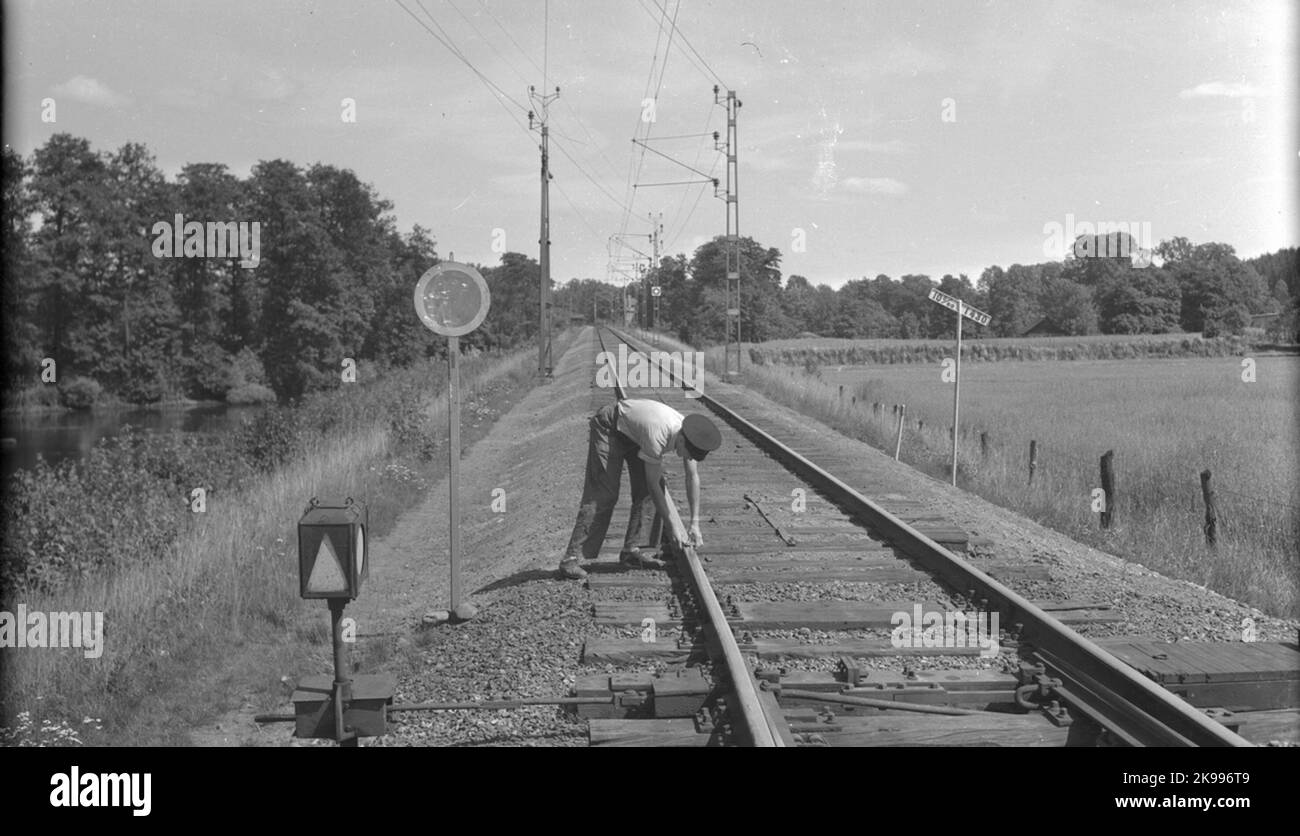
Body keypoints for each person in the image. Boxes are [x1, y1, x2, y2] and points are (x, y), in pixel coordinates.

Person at [558, 397, 722, 580]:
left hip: (635, 434)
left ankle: (632, 552)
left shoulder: (691, 434)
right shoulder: (659, 434)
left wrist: (695, 523)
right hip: (610, 426)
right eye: (688, 455)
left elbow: (692, 477)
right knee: (605, 494)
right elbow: (653, 485)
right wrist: (673, 526)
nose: (688, 459)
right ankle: (570, 559)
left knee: (648, 488)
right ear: (682, 441)